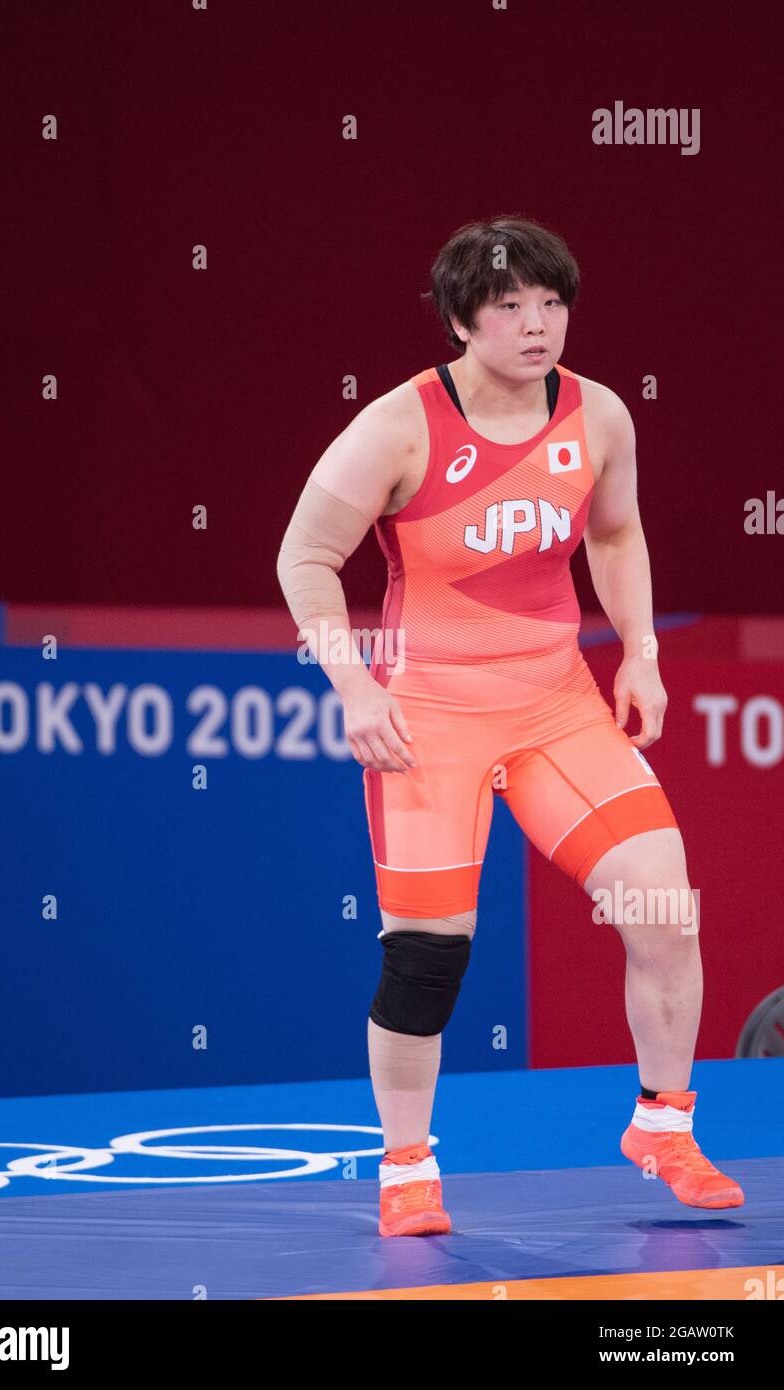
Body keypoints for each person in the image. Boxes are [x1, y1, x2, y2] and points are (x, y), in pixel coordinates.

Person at [276, 216, 744, 1237]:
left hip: (553, 704)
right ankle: (406, 1167)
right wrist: (354, 687)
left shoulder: (599, 416)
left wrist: (643, 653)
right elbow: (304, 557)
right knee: (426, 957)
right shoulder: (399, 425)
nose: (537, 326)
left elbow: (613, 533)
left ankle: (663, 1122)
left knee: (665, 910)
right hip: (428, 714)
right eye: (510, 308)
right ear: (459, 320)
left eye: (551, 304)